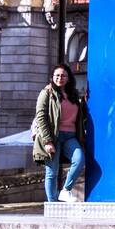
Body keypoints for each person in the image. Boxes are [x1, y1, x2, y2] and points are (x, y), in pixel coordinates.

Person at [34, 63, 87, 203]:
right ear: (52, 77)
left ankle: (65, 190)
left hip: (71, 136)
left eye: (63, 75)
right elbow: (41, 117)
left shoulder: (73, 95)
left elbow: (82, 116)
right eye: (57, 75)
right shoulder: (47, 93)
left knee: (79, 159)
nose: (60, 78)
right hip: (53, 137)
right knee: (52, 172)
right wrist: (47, 141)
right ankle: (52, 203)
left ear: (68, 78)